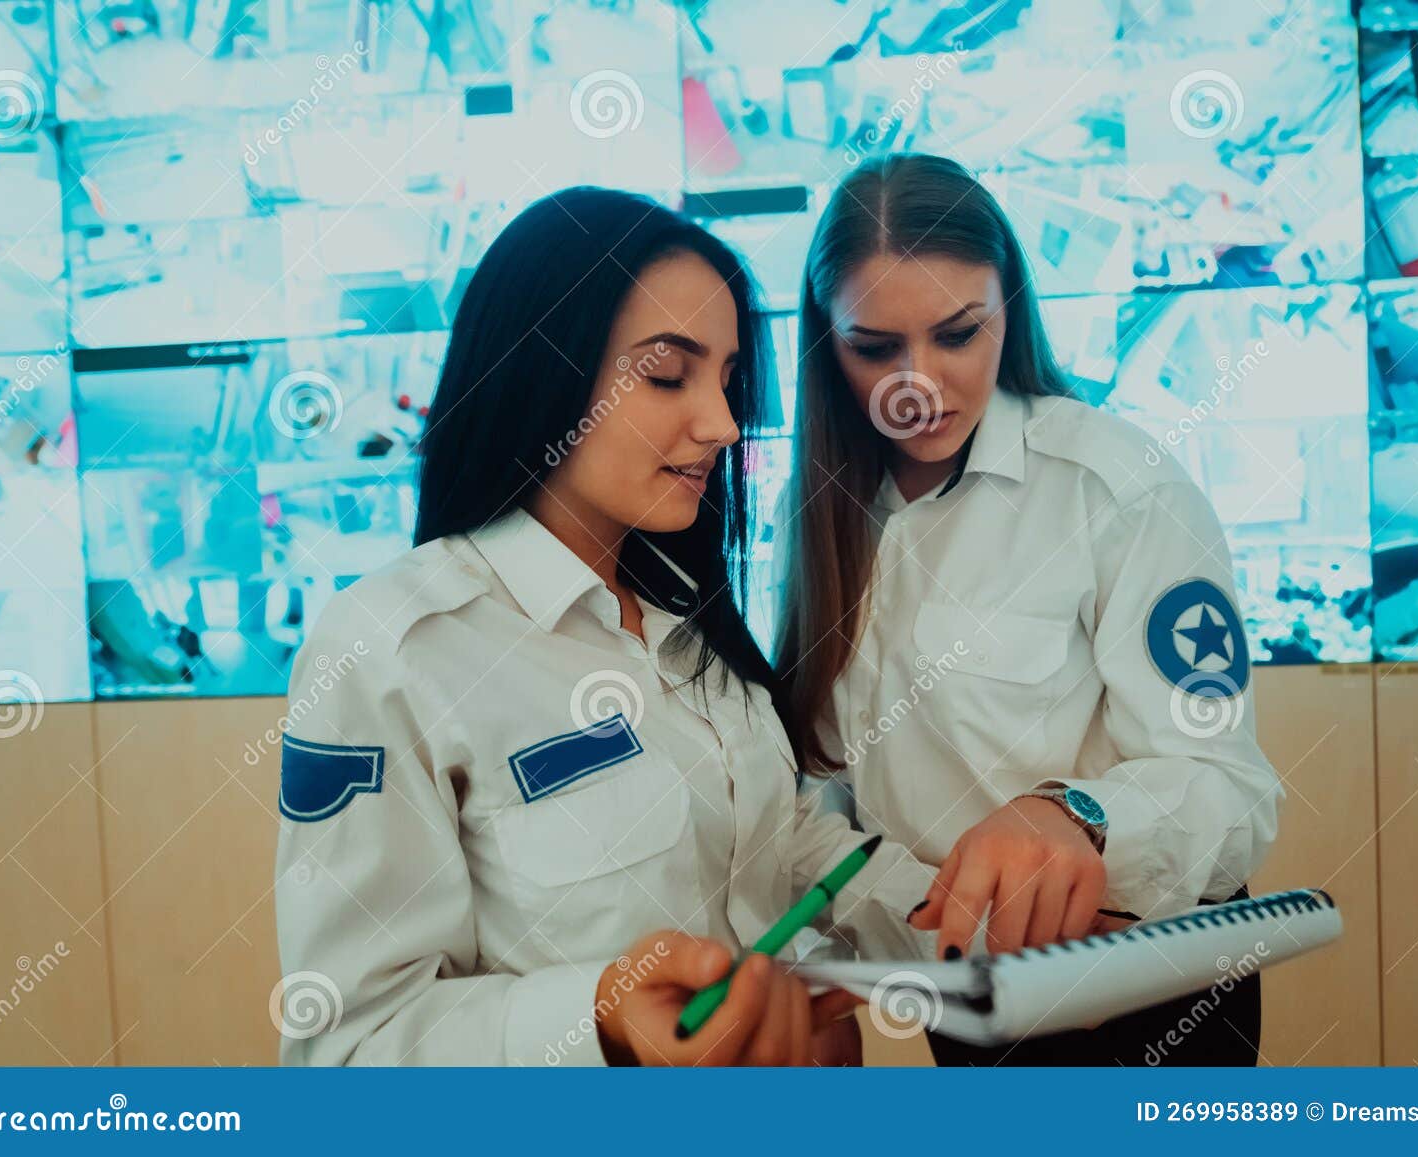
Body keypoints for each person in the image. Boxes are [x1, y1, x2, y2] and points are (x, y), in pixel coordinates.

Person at [273, 186, 934, 1067]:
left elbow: (782, 846)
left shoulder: (691, 622)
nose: (723, 424)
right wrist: (601, 1016)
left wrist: (965, 912)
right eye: (666, 374)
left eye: (728, 379)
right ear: (541, 370)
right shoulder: (393, 649)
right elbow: (347, 1049)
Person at [774, 153, 1284, 1065]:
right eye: (875, 347)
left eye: (958, 334)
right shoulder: (814, 517)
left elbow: (1232, 792)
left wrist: (1072, 816)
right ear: (825, 341)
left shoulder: (1118, 489)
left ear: (1010, 306)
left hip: (1147, 996)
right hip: (967, 995)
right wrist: (883, 933)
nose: (917, 384)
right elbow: (824, 791)